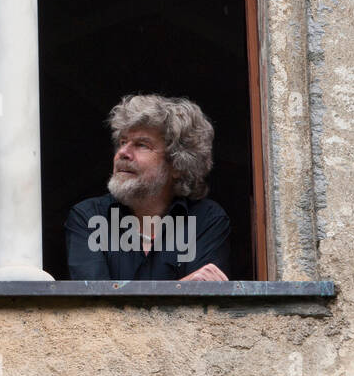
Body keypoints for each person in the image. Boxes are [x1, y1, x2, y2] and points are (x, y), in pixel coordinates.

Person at [65, 94, 230, 281]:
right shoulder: (88, 217)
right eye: (122, 142)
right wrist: (182, 289)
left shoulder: (206, 220)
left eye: (142, 145)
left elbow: (203, 305)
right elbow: (97, 307)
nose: (122, 153)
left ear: (177, 164)